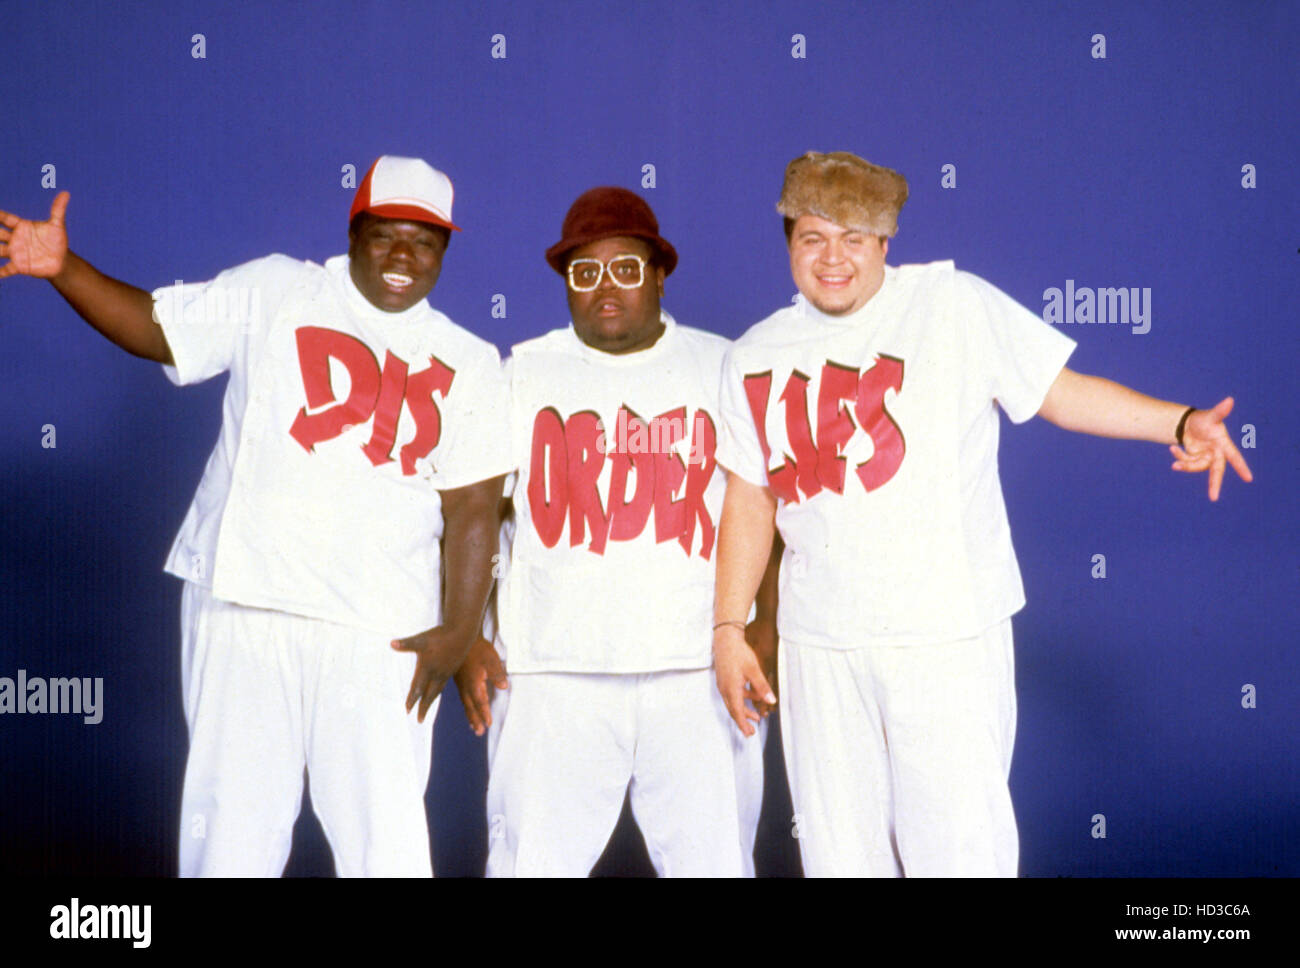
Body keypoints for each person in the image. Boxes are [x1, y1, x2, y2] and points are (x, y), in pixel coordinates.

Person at [710, 150, 1253, 877]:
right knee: (840, 858)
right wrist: (728, 625)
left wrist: (1180, 422)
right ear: (789, 244)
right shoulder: (754, 354)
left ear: (885, 244)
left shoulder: (952, 304)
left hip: (946, 634)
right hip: (822, 643)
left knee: (960, 854)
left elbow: (1060, 391)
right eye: (813, 238)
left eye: (854, 238)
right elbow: (750, 494)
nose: (833, 258)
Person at [0, 156, 509, 876]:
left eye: (424, 241)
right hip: (243, 601)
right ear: (354, 231)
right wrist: (64, 268)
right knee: (231, 839)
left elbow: (474, 506)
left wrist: (460, 630)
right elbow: (157, 328)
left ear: (445, 251)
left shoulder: (471, 359)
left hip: (382, 630)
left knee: (388, 848)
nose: (404, 257)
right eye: (385, 236)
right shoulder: (278, 288)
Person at [452, 186, 769, 876]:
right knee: (529, 864)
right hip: (550, 670)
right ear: (566, 283)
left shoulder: (723, 365)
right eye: (584, 271)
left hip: (697, 669)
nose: (605, 287)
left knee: (716, 864)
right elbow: (474, 512)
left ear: (658, 273)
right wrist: (466, 633)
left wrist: (760, 627)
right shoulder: (523, 371)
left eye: (625, 268)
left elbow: (763, 504)